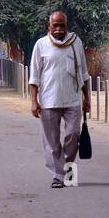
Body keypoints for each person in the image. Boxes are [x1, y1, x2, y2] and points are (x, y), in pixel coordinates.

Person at [29, 11, 90, 188]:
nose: (58, 29)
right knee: (52, 141)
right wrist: (34, 101)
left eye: (61, 25)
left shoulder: (76, 42)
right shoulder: (41, 45)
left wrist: (87, 98)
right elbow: (34, 77)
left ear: (67, 25)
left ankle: (69, 172)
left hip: (72, 100)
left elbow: (84, 73)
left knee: (73, 135)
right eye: (55, 25)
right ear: (49, 27)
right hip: (48, 100)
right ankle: (58, 175)